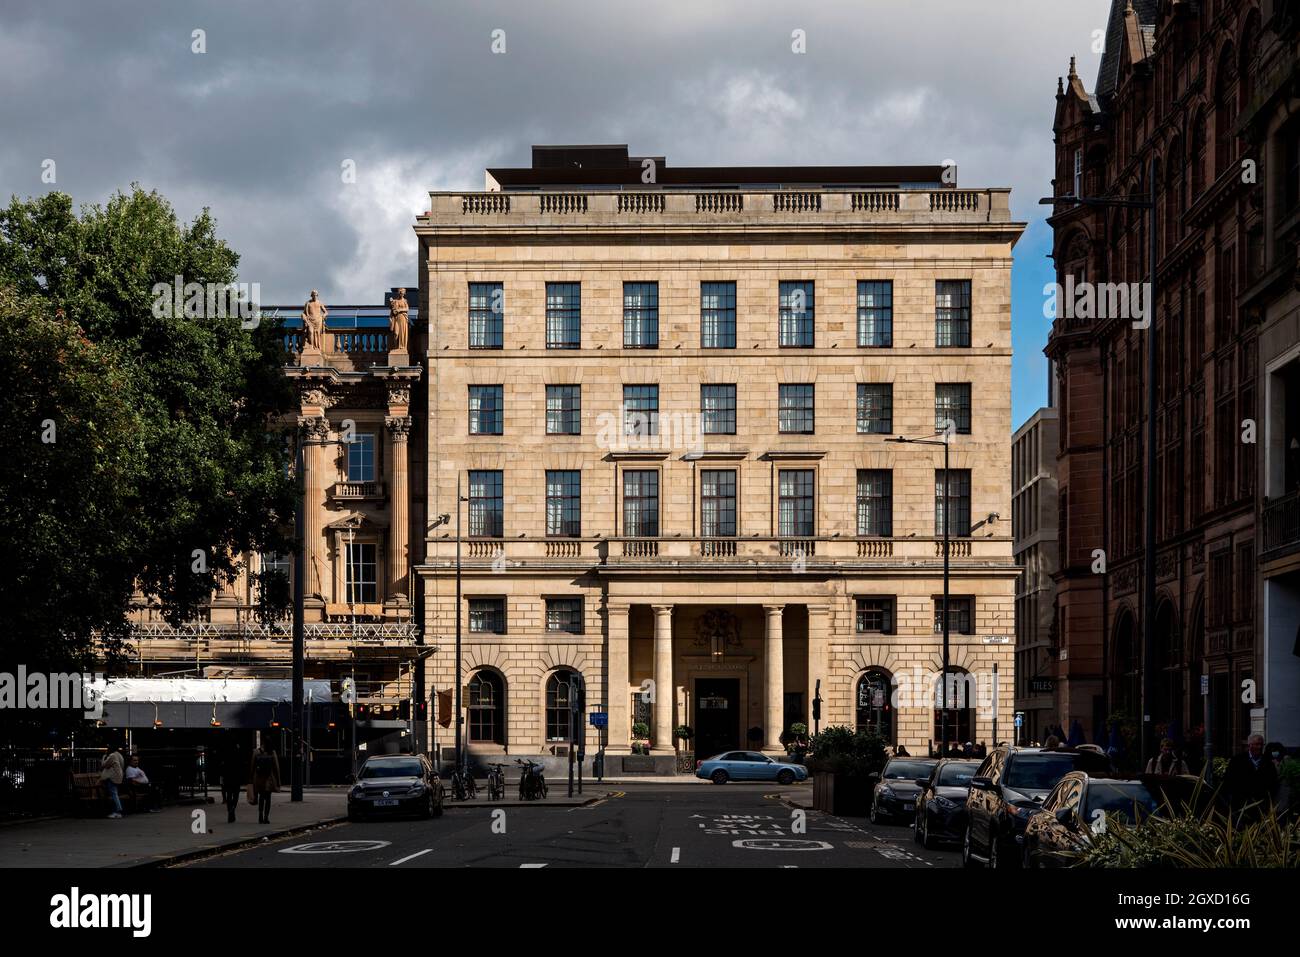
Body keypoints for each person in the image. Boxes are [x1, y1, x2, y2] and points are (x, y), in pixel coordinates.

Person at [1224, 734, 1279, 821]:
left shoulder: (1268, 762)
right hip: (1242, 805)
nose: (1260, 747)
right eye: (1257, 744)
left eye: (1261, 744)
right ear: (1250, 745)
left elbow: (1273, 783)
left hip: (1261, 805)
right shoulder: (1237, 761)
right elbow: (1229, 781)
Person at [249, 741, 281, 825]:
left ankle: (260, 815)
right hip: (268, 778)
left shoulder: (256, 751)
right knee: (268, 798)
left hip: (258, 778)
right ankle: (266, 817)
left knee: (261, 797)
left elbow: (252, 766)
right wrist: (278, 780)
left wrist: (251, 778)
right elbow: (276, 767)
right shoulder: (272, 752)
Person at [218, 740, 246, 824]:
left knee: (229, 794)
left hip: (228, 777)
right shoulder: (238, 753)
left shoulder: (226, 754)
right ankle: (233, 807)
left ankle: (230, 809)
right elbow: (242, 765)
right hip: (236, 777)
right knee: (236, 794)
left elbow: (222, 765)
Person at [99, 745, 124, 819]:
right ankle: (116, 811)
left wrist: (104, 756)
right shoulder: (119, 755)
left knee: (114, 794)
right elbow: (122, 765)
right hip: (118, 776)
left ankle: (118, 811)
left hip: (112, 777)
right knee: (115, 793)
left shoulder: (112, 755)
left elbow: (104, 764)